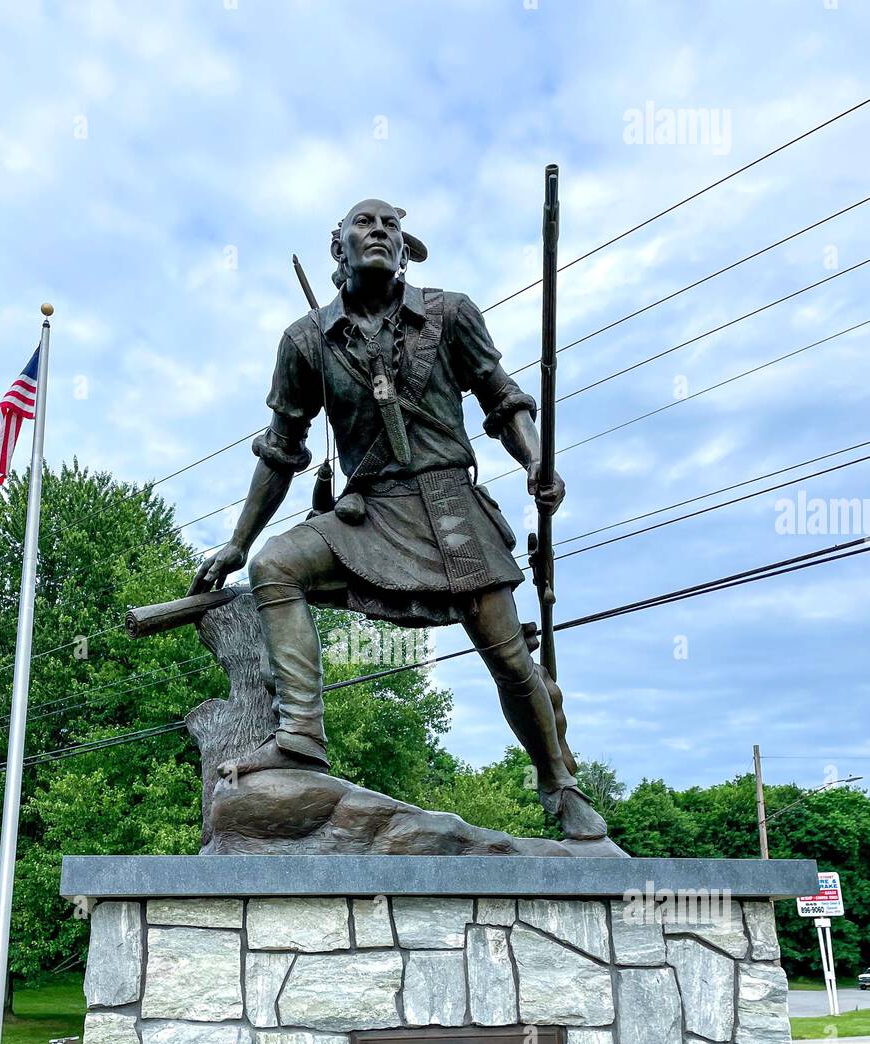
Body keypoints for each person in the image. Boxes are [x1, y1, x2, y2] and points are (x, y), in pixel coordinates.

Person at [189, 198, 606, 839]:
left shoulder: (450, 313)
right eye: (365, 223)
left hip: (450, 508)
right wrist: (238, 544)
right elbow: (281, 451)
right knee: (276, 564)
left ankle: (558, 781)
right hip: (371, 509)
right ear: (340, 248)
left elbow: (502, 399)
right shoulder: (306, 341)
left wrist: (536, 461)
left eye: (391, 225)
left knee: (510, 662)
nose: (380, 231)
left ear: (406, 248)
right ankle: (299, 735)